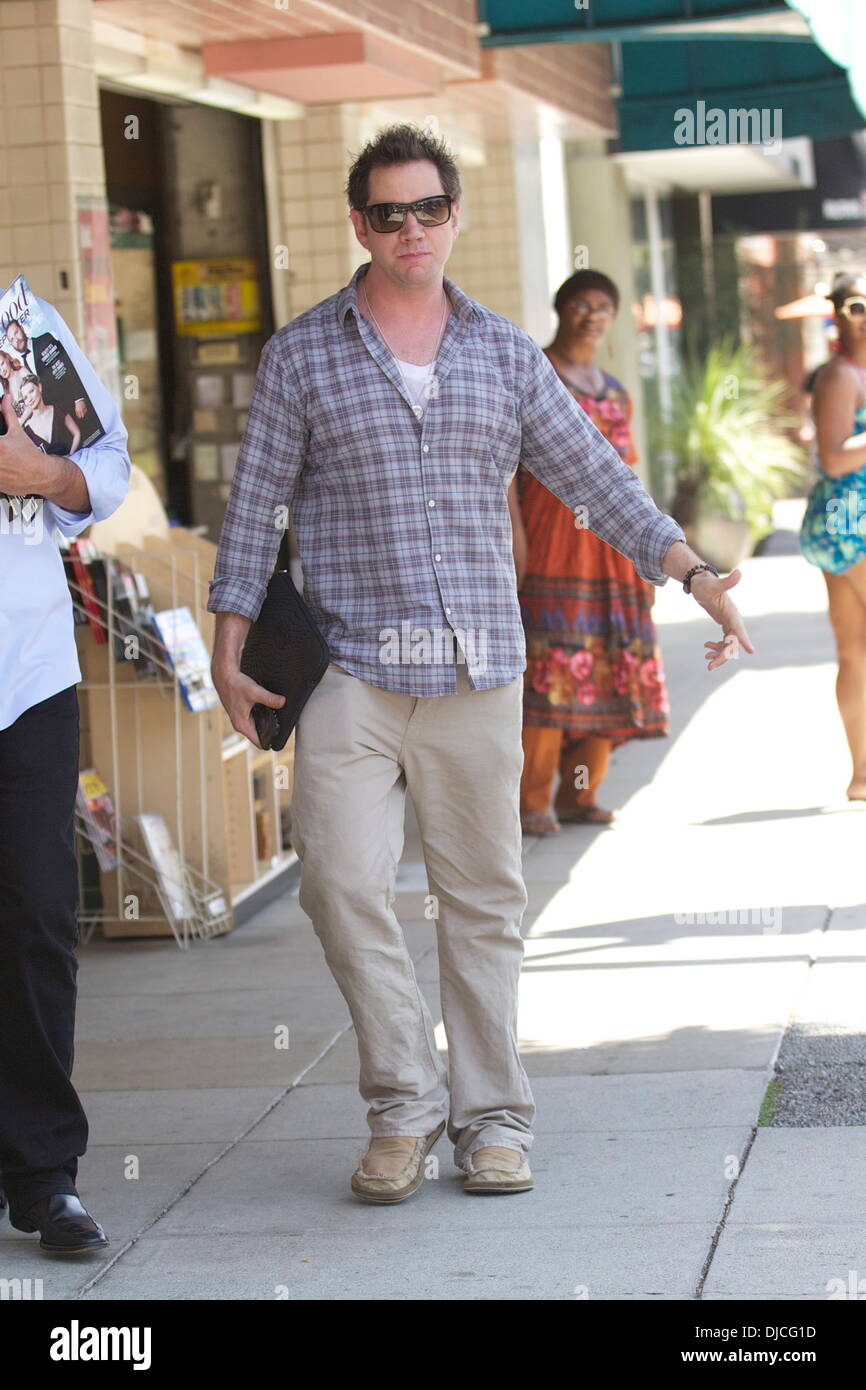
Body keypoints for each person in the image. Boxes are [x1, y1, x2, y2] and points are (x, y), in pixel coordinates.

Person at [208, 123, 753, 1205]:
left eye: (425, 207)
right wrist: (225, 649)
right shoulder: (304, 352)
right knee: (340, 884)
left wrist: (691, 570)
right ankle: (402, 1104)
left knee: (481, 900)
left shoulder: (504, 353)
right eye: (384, 212)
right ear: (358, 224)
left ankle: (493, 1119)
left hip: (477, 666)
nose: (407, 228)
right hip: (352, 666)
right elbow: (254, 507)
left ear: (452, 215)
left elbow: (592, 477)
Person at [0, 294, 130, 1253]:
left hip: (26, 674)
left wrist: (40, 472)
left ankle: (44, 1174)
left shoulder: (28, 332)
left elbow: (110, 465)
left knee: (37, 914)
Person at [509, 269, 670, 833]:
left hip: (612, 555)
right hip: (552, 547)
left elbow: (628, 476)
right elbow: (507, 471)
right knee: (551, 671)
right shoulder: (537, 373)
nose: (593, 313)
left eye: (604, 305)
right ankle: (534, 800)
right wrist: (516, 538)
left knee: (608, 665)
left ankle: (583, 794)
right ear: (561, 310)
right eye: (582, 303)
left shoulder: (616, 389)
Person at [800, 272, 866, 800]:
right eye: (854, 307)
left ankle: (862, 776)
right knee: (853, 652)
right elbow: (834, 457)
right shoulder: (841, 377)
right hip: (850, 523)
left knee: (855, 652)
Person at [18, 373, 81, 455]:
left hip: (75, 460)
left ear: (39, 387)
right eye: (25, 398)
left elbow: (77, 433)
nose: (29, 399)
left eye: (31, 391)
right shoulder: (27, 430)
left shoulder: (58, 409)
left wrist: (71, 456)